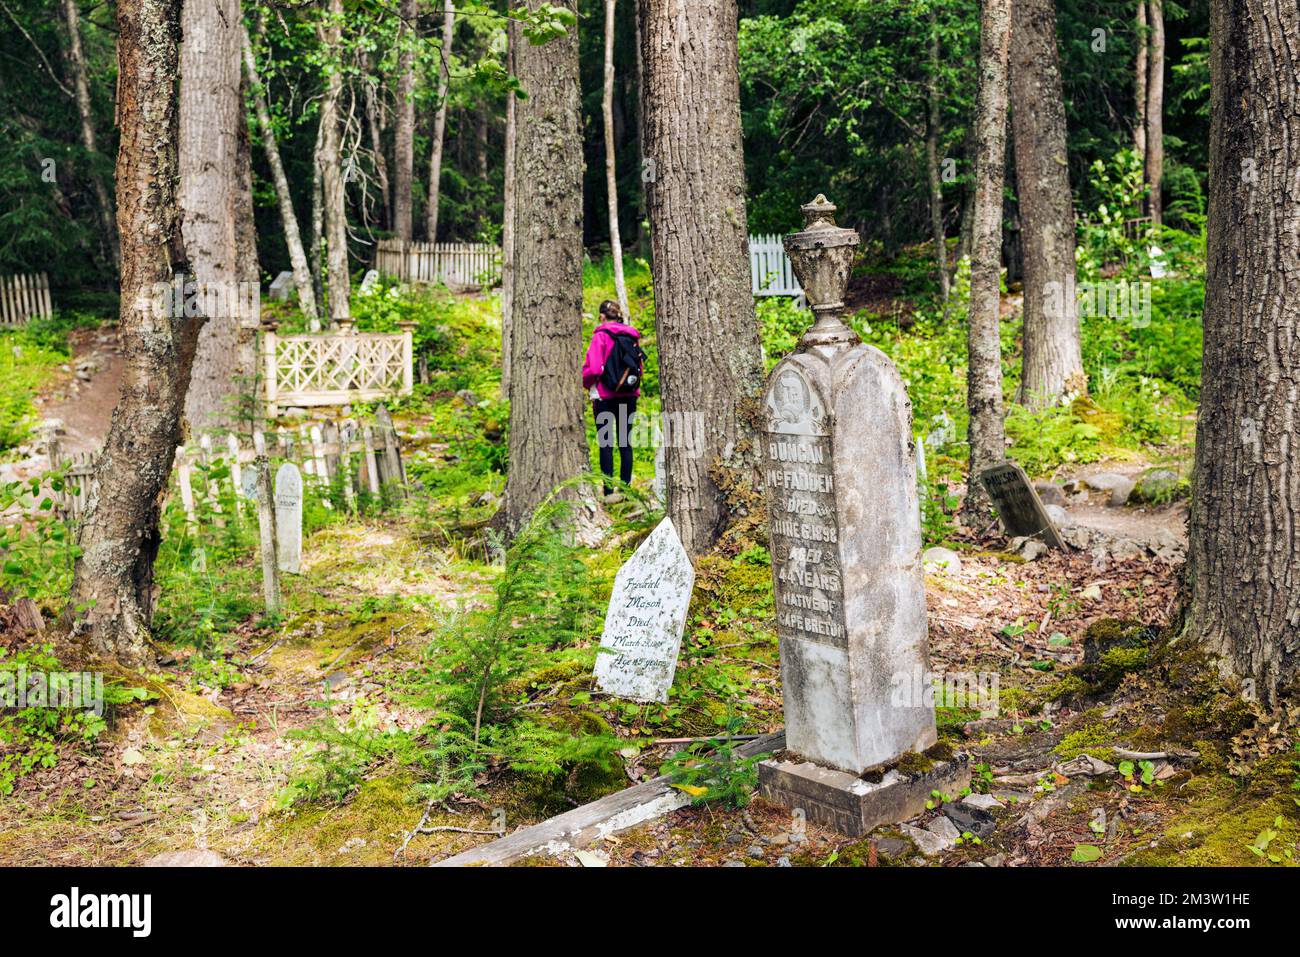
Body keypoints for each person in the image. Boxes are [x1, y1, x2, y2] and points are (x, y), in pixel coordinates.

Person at [581, 300, 644, 499]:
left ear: (602, 316)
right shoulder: (631, 336)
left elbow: (593, 368)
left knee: (606, 443)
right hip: (628, 395)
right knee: (625, 443)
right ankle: (625, 491)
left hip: (605, 397)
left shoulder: (601, 336)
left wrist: (586, 382)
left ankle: (608, 492)